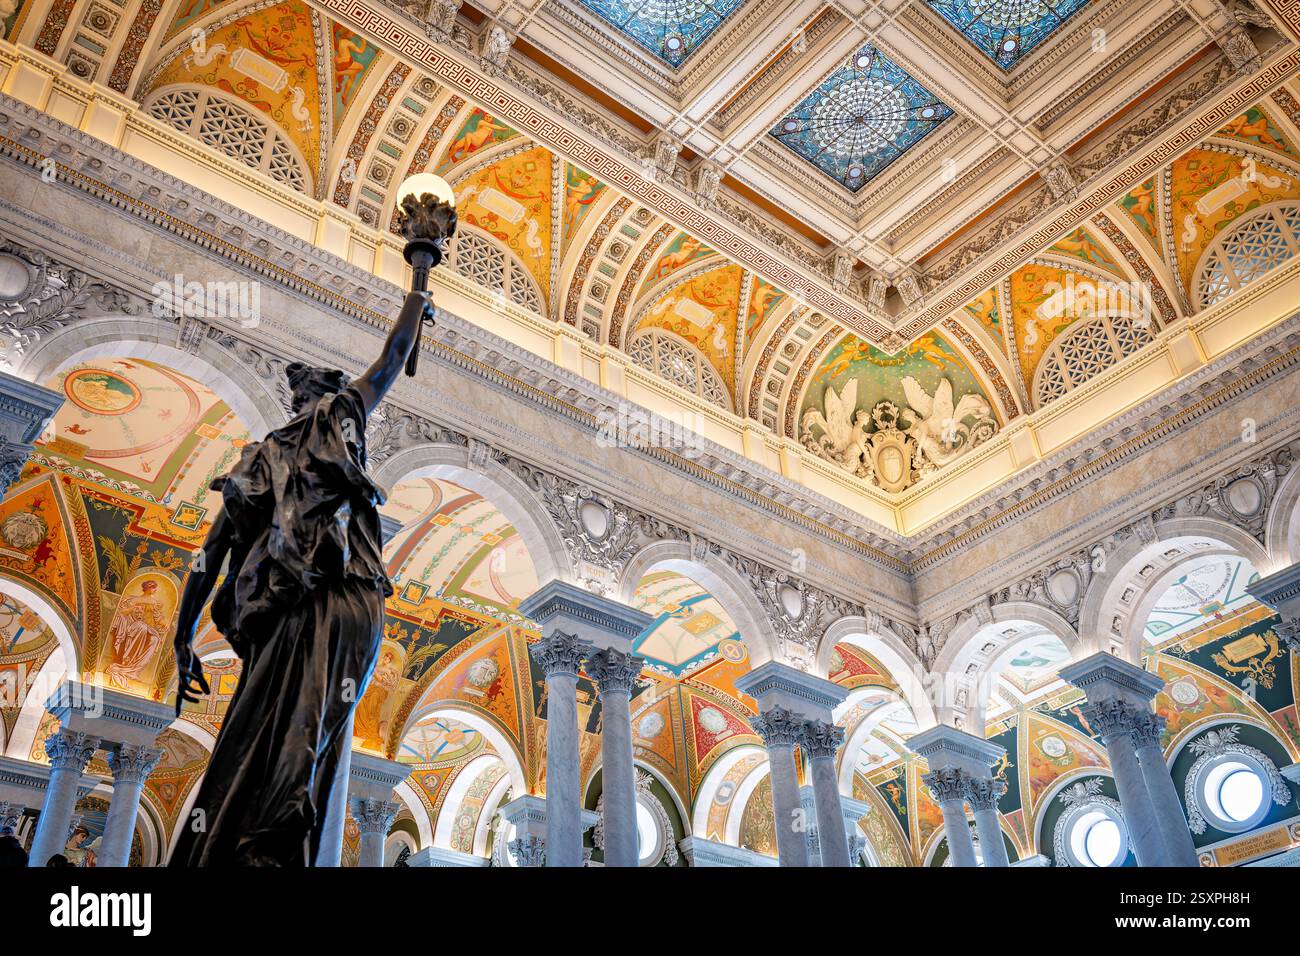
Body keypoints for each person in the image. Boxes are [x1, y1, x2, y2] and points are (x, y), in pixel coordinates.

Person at [169, 290, 434, 866]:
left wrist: (182, 635)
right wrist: (417, 292)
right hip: (352, 600)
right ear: (334, 406)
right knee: (316, 727)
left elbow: (207, 557)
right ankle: (275, 840)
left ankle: (254, 843)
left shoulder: (260, 460)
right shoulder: (340, 420)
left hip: (289, 607)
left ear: (295, 401)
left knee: (268, 723)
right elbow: (392, 357)